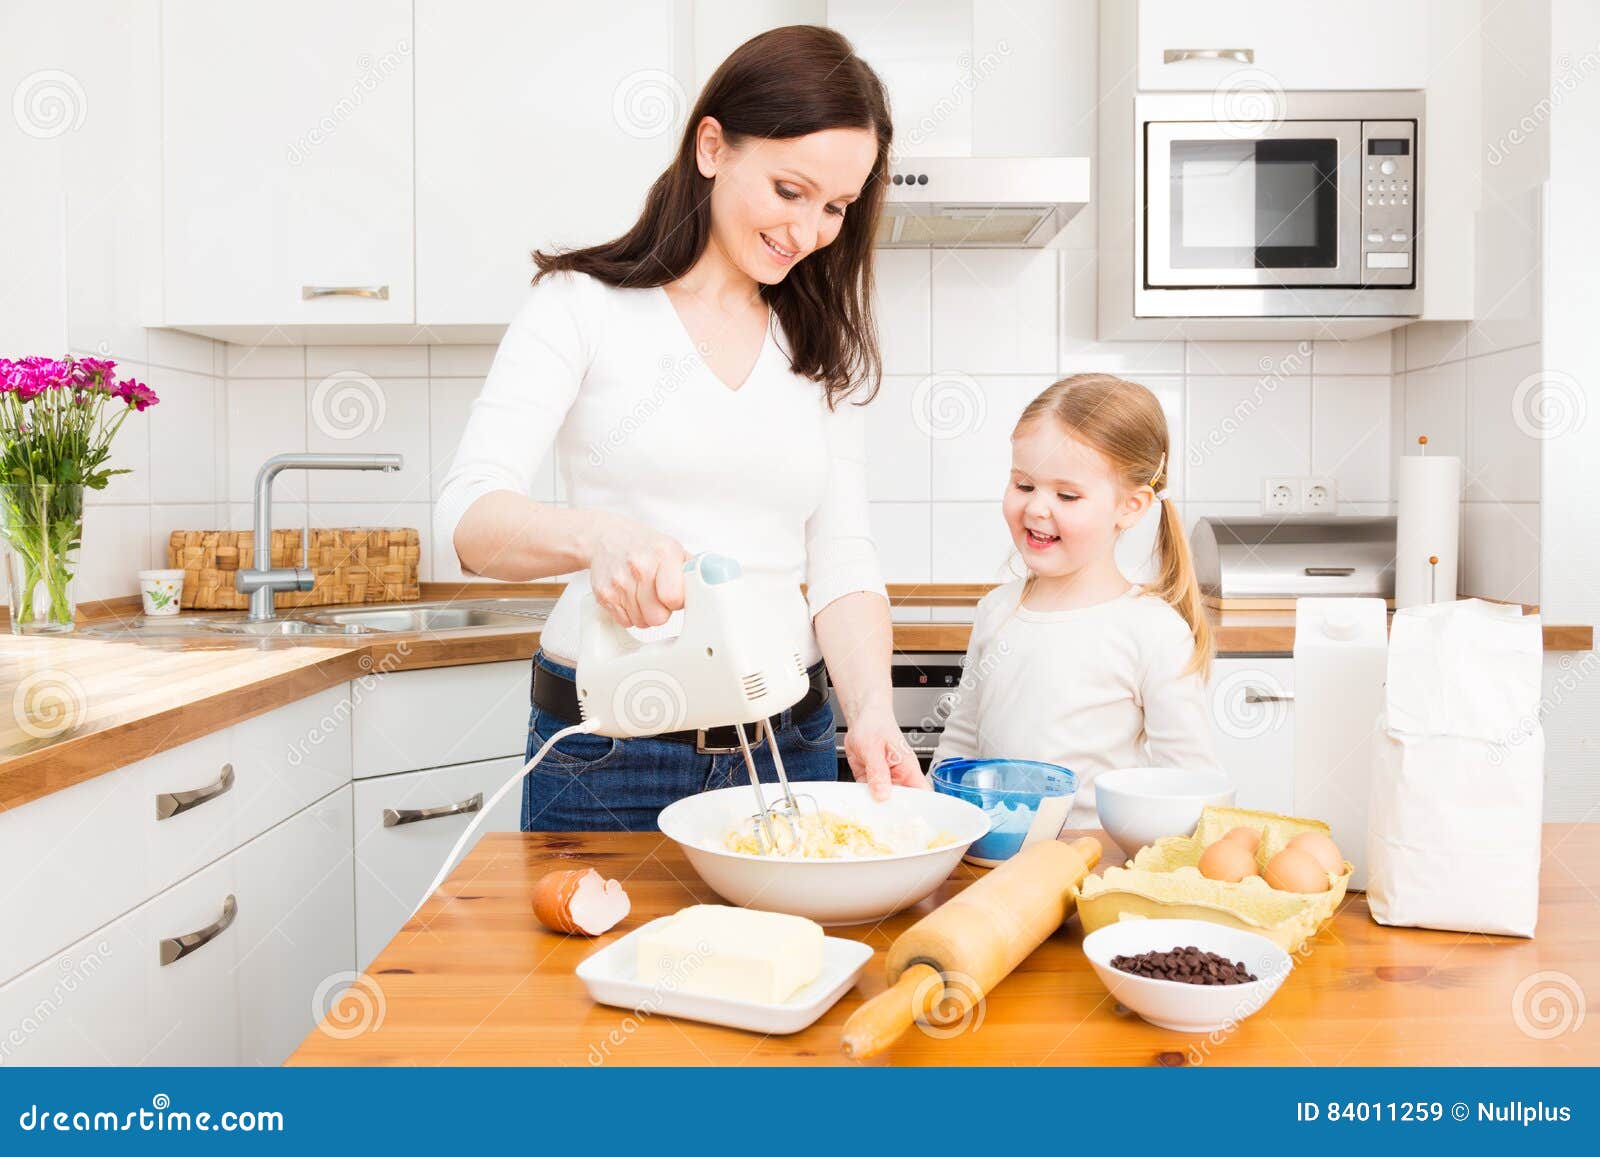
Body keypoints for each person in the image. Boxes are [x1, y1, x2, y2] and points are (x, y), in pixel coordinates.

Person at [434, 26, 924, 833]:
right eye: (789, 190)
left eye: (836, 207)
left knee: (783, 965)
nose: (808, 234)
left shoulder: (816, 344)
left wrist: (869, 709)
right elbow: (467, 519)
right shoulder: (581, 307)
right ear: (711, 147)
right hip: (608, 756)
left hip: (786, 749)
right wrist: (595, 538)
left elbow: (841, 558)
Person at [930, 374, 1222, 827]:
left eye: (1067, 495)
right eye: (1024, 486)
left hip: (1095, 863)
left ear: (1131, 506)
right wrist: (929, 816)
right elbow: (962, 742)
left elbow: (1190, 782)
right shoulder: (997, 612)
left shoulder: (1153, 631)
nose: (1037, 509)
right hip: (987, 860)